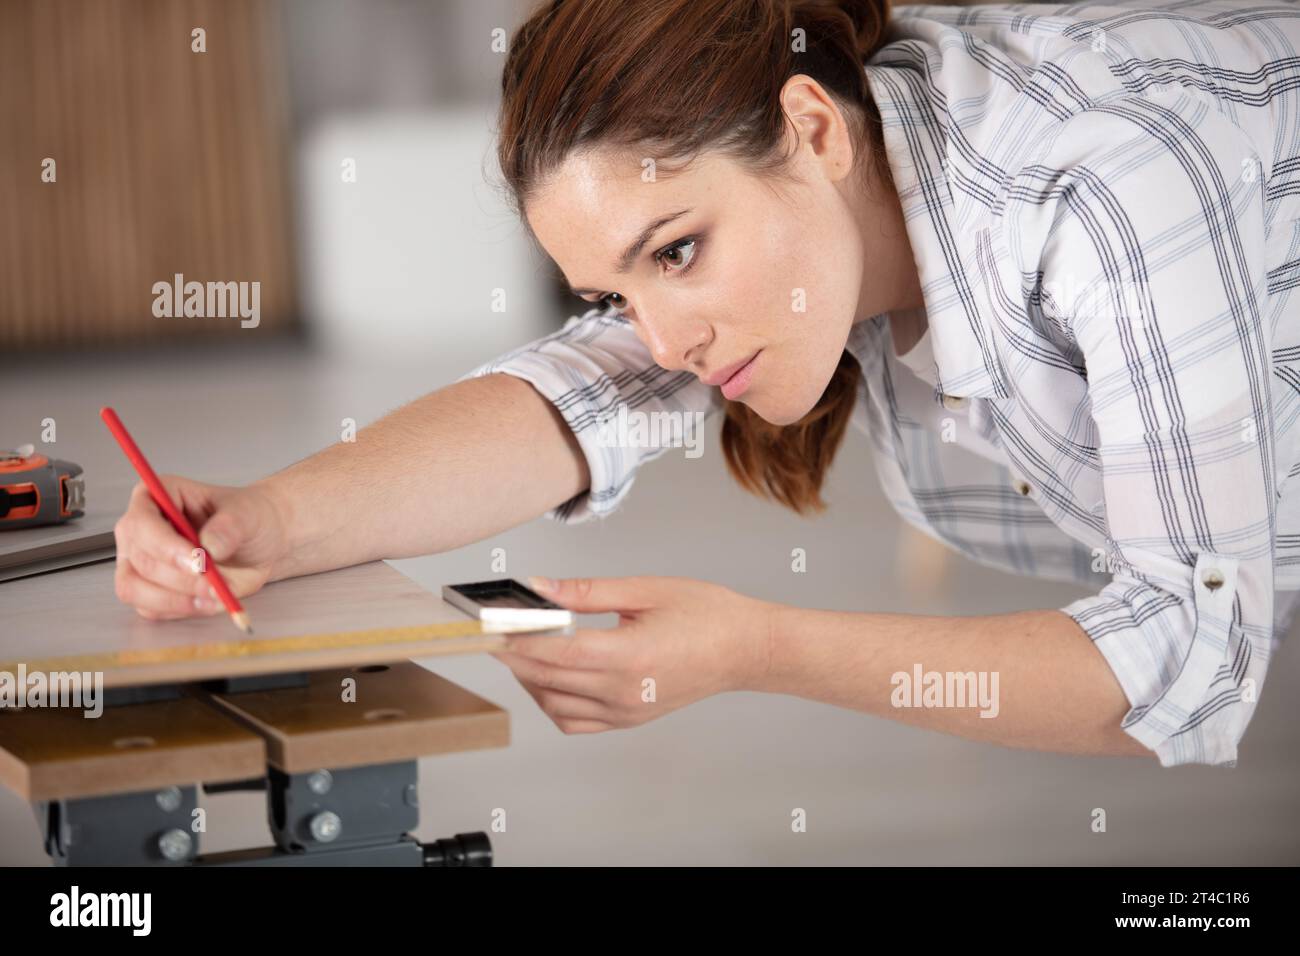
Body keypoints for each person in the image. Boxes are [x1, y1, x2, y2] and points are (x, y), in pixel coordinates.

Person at [112, 0, 1300, 767]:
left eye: (675, 252)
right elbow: (576, 394)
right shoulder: (805, 204)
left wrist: (757, 648)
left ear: (812, 131)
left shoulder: (1099, 190)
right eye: (617, 292)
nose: (664, 338)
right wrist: (273, 517)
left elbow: (1192, 659)